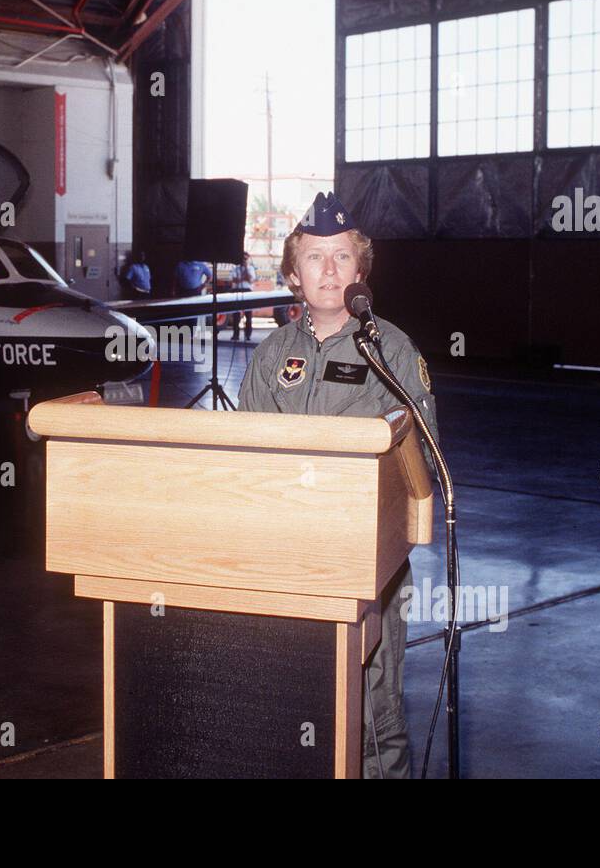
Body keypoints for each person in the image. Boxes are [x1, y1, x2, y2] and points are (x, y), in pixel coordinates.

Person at [237, 191, 439, 779]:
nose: (329, 270)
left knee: (374, 712)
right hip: (287, 559)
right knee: (291, 703)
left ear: (360, 271)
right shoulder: (270, 355)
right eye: (315, 258)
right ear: (294, 276)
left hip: (367, 561)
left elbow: (421, 457)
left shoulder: (390, 351)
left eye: (342, 257)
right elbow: (247, 457)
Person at [228, 250, 257, 341]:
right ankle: (235, 335)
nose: (243, 260)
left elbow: (250, 280)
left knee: (248, 314)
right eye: (242, 259)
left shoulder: (250, 268)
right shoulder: (235, 268)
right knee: (236, 315)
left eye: (245, 259)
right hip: (236, 290)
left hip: (247, 291)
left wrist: (245, 271)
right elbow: (233, 280)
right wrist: (242, 277)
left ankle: (247, 335)